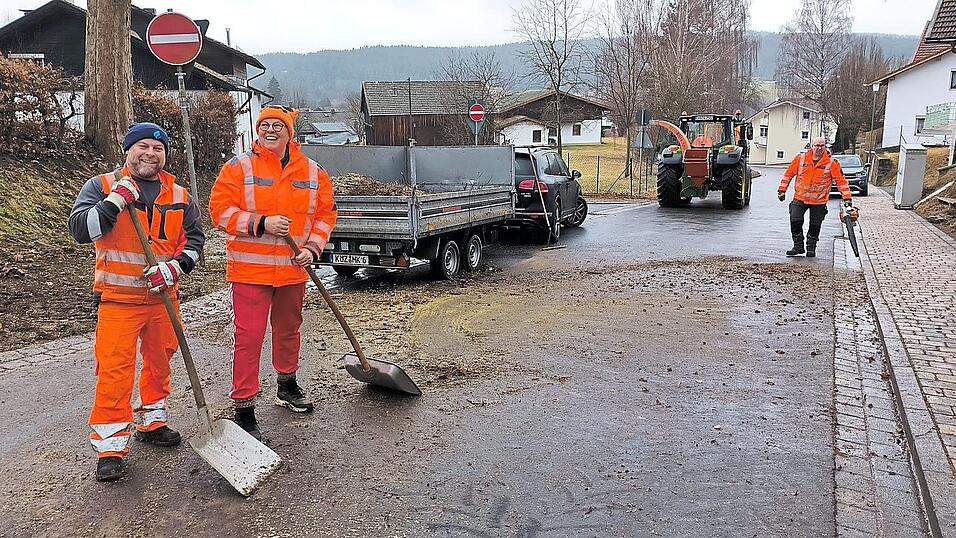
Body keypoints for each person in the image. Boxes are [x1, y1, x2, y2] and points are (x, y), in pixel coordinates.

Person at [68, 122, 205, 481]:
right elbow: (82, 231)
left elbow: (194, 241)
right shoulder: (101, 186)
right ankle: (111, 447)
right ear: (127, 150)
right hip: (118, 300)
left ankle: (153, 421)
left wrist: (176, 268)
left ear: (166, 155)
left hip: (163, 298)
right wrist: (115, 202)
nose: (150, 153)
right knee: (114, 372)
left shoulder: (179, 194)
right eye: (142, 146)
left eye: (158, 148)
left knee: (160, 364)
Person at [209, 106, 337, 440]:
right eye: (263, 124)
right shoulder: (238, 167)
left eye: (277, 125)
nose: (269, 130)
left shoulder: (313, 172)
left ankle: (287, 385)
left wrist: (312, 248)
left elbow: (325, 215)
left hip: (294, 270)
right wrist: (261, 223)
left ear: (289, 133)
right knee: (248, 337)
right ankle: (244, 405)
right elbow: (219, 212)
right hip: (250, 271)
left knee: (289, 330)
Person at [777, 137, 852, 257]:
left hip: (819, 201)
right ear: (811, 146)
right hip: (800, 198)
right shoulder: (801, 159)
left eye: (821, 146)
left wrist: (847, 197)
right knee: (795, 220)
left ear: (825, 147)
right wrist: (782, 190)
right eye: (816, 145)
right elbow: (788, 174)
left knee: (815, 225)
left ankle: (811, 247)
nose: (818, 148)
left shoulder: (832, 163)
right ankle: (798, 246)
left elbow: (841, 181)